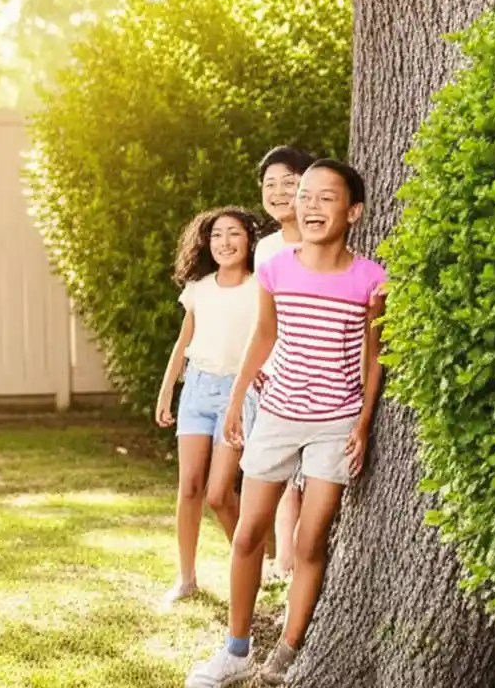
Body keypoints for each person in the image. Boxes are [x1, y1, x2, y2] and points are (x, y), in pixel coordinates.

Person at [185, 160, 387, 687]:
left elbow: (374, 357)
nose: (313, 206)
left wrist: (362, 424)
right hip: (275, 416)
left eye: (327, 198)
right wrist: (235, 403)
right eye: (307, 197)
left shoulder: (371, 278)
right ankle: (236, 650)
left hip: (334, 425)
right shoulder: (275, 269)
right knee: (249, 533)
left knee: (309, 543)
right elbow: (264, 335)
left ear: (354, 211)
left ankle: (289, 654)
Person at [155, 207, 261, 605]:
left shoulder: (259, 287)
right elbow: (184, 343)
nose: (225, 242)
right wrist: (168, 391)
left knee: (219, 493)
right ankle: (186, 578)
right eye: (217, 235)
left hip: (238, 393)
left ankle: (252, 562)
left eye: (234, 234)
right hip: (197, 390)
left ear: (249, 239)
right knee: (190, 487)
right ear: (206, 242)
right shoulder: (199, 288)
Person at [251, 145, 316, 580]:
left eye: (289, 183)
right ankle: (285, 563)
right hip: (273, 377)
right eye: (269, 185)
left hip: (320, 375)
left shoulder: (323, 238)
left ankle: (301, 559)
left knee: (311, 477)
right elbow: (264, 319)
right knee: (280, 475)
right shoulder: (266, 249)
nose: (278, 192)